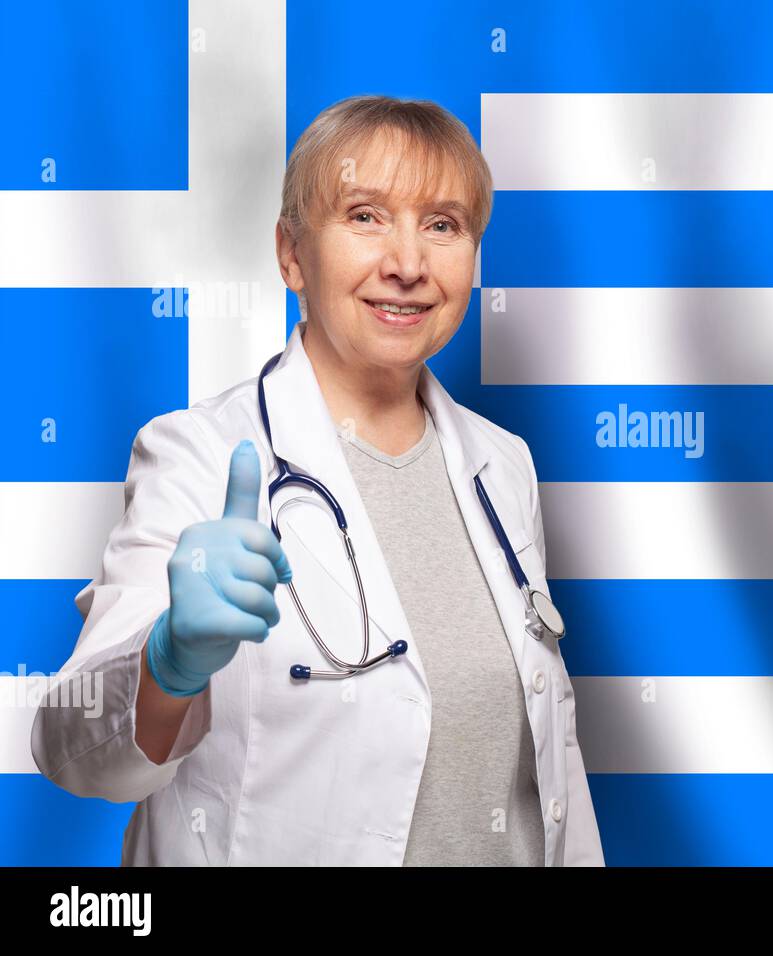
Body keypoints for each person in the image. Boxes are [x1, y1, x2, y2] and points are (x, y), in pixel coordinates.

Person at [30, 94, 605, 866]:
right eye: (365, 216)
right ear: (292, 254)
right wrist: (166, 664)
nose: (407, 263)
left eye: (443, 225)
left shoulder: (503, 466)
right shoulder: (199, 454)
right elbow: (73, 745)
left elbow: (548, 775)